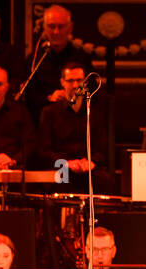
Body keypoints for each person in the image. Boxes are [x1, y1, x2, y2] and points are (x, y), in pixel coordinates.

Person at [35, 60, 116, 193]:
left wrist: (91, 162)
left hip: (87, 166)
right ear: (62, 82)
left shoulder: (94, 112)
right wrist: (67, 163)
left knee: (105, 181)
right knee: (60, 181)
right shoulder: (50, 112)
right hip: (62, 166)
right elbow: (43, 151)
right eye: (70, 81)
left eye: (79, 80)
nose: (75, 85)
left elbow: (102, 148)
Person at [21, 4, 95, 117]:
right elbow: (29, 95)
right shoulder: (36, 58)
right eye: (51, 26)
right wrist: (50, 97)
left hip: (76, 117)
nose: (56, 32)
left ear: (70, 28)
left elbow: (93, 90)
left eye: (61, 27)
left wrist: (72, 94)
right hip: (44, 119)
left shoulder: (82, 58)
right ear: (44, 28)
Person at [60, 225, 141, 269]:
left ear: (113, 251)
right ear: (86, 251)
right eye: (94, 249)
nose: (99, 255)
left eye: (104, 249)